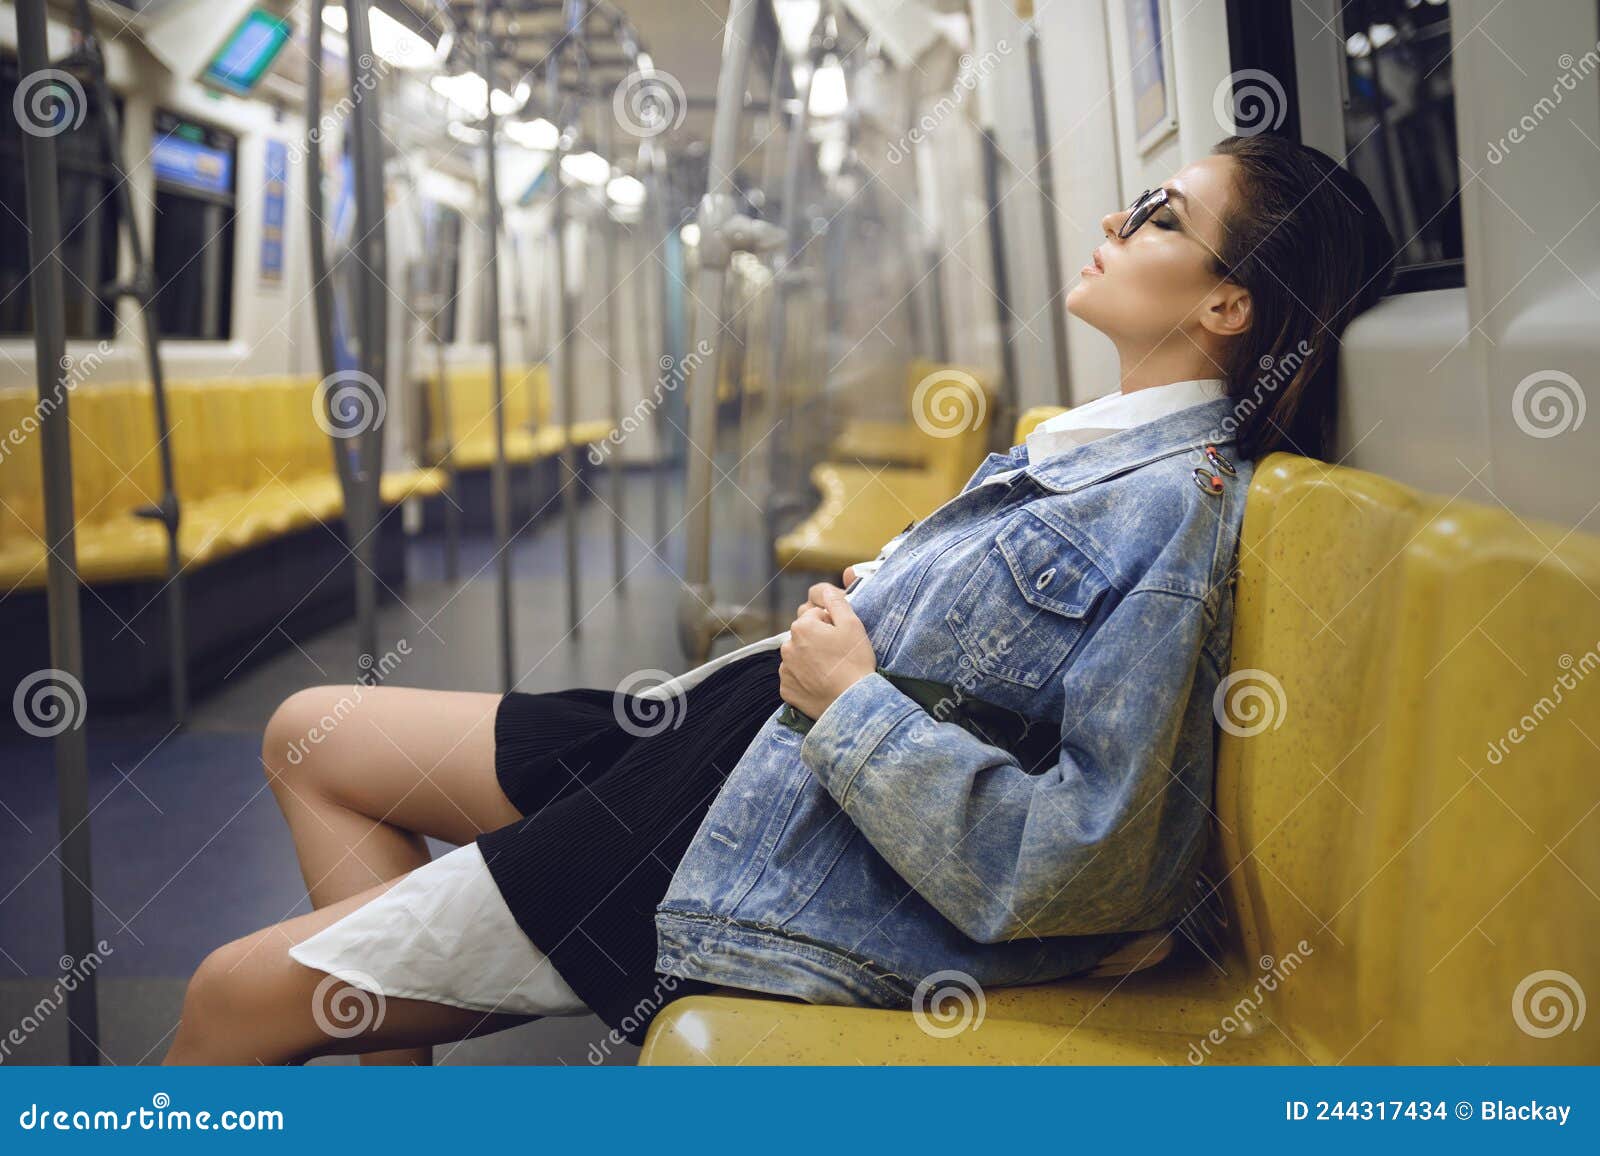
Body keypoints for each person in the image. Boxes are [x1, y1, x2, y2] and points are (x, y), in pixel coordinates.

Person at [165, 134, 1395, 1064]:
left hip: (724, 827)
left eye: (1160, 217)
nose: (1115, 221)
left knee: (227, 997)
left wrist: (854, 698)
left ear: (1225, 304)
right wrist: (893, 602)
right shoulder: (1091, 446)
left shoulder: (1170, 512)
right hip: (719, 735)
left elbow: (1090, 862)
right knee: (310, 733)